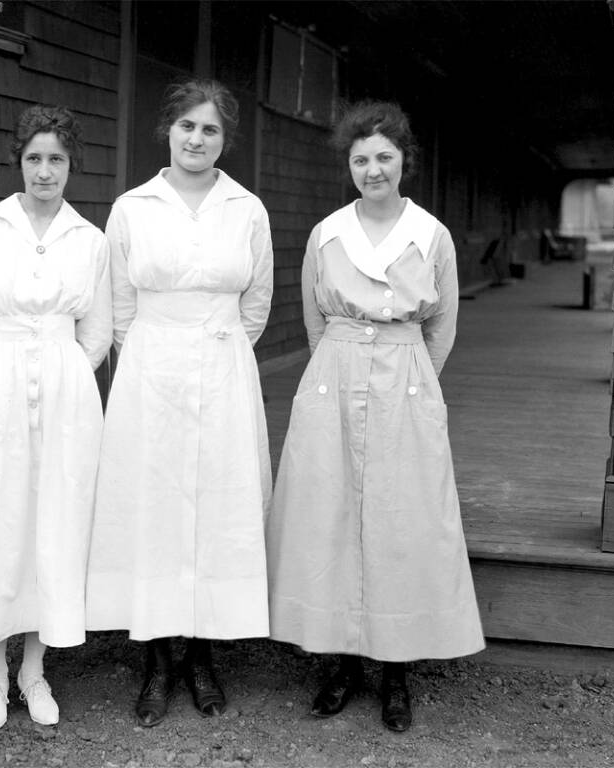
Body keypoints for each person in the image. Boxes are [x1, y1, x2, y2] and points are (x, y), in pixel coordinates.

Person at [265, 100, 485, 732]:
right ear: (350, 165)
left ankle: (396, 671)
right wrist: (341, 365)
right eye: (361, 159)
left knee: (402, 519)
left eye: (384, 156)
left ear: (403, 161)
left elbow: (440, 326)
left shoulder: (430, 235)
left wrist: (410, 376)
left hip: (403, 379)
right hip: (334, 374)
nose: (373, 169)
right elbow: (313, 316)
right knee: (328, 512)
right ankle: (337, 664)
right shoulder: (328, 233)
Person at [86, 80, 274, 727]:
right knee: (158, 509)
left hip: (223, 369)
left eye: (211, 130)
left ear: (226, 142)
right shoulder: (133, 207)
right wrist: (158, 354)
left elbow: (257, 308)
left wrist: (213, 351)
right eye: (187, 126)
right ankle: (158, 661)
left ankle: (203, 655)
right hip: (151, 373)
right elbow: (118, 307)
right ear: (167, 130)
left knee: (215, 508)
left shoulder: (246, 209)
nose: (197, 139)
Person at [0, 105, 112, 732]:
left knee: (52, 522)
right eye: (34, 158)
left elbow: (98, 334)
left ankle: (35, 669)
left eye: (56, 159)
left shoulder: (90, 240)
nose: (44, 170)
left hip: (65, 394)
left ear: (70, 166)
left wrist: (63, 375)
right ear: (20, 162)